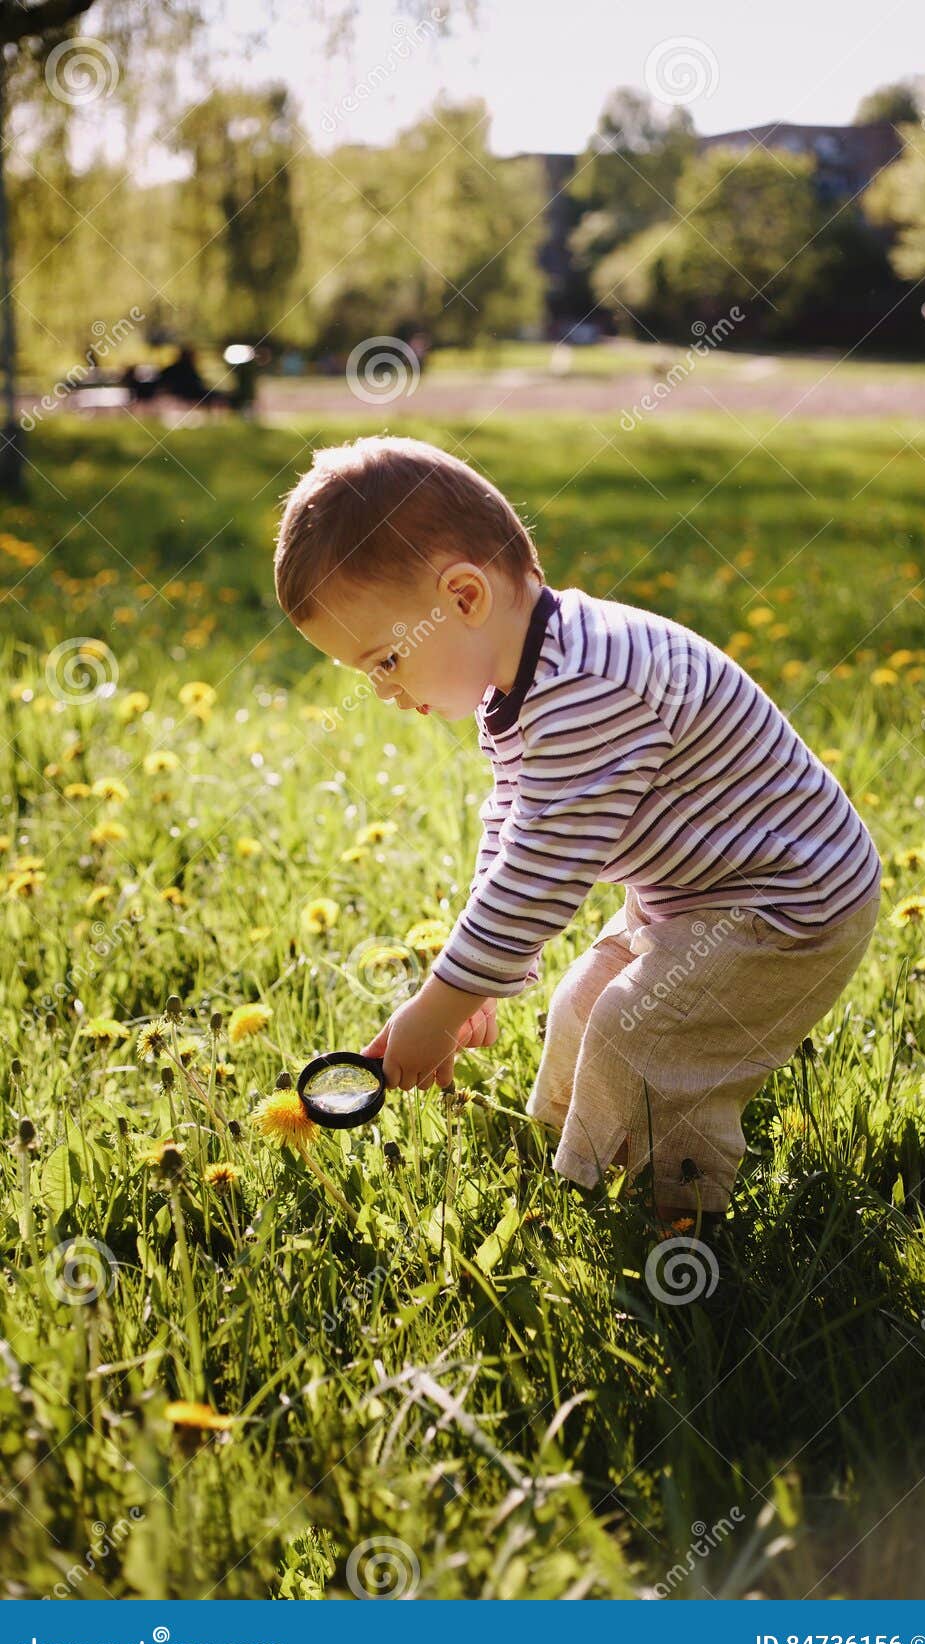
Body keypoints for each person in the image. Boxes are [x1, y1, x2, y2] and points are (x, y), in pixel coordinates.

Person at [272, 436, 882, 1227]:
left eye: (386, 660)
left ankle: (678, 1216)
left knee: (646, 1037)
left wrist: (437, 1007)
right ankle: (573, 1168)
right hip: (694, 900)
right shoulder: (526, 679)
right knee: (580, 1004)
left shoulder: (591, 684)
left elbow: (543, 875)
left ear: (463, 598)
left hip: (788, 908)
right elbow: (514, 827)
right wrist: (467, 986)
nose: (384, 690)